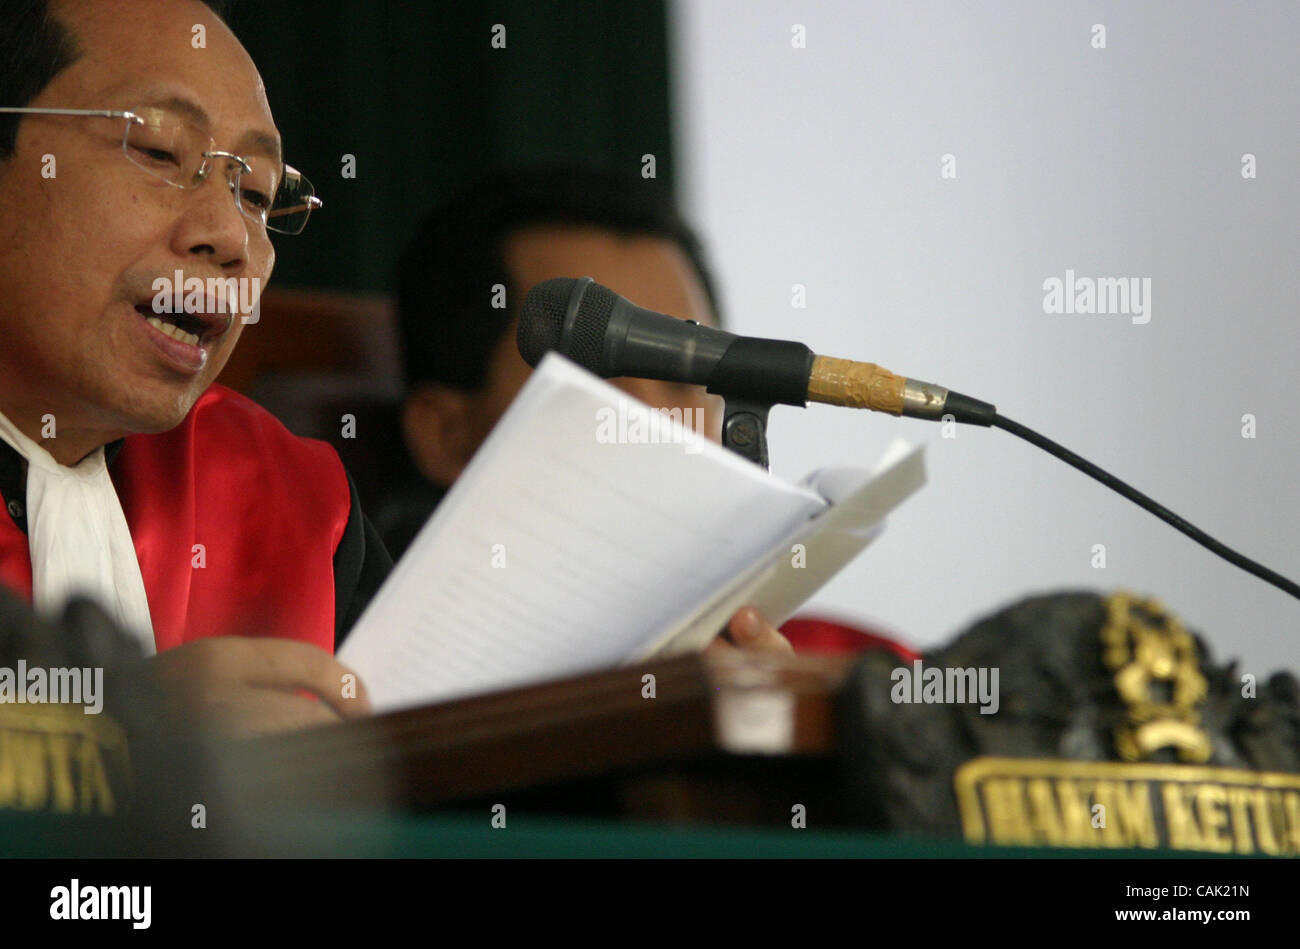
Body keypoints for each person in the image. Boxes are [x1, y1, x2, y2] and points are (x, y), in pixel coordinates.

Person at [0, 1, 790, 740]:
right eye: (161, 150)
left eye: (257, 192)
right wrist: (113, 739)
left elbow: (440, 771)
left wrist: (669, 727)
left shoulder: (291, 503)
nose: (229, 234)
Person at [389, 165, 913, 659]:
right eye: (592, 385)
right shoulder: (345, 698)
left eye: (684, 378)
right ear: (448, 434)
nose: (652, 425)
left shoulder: (846, 671)